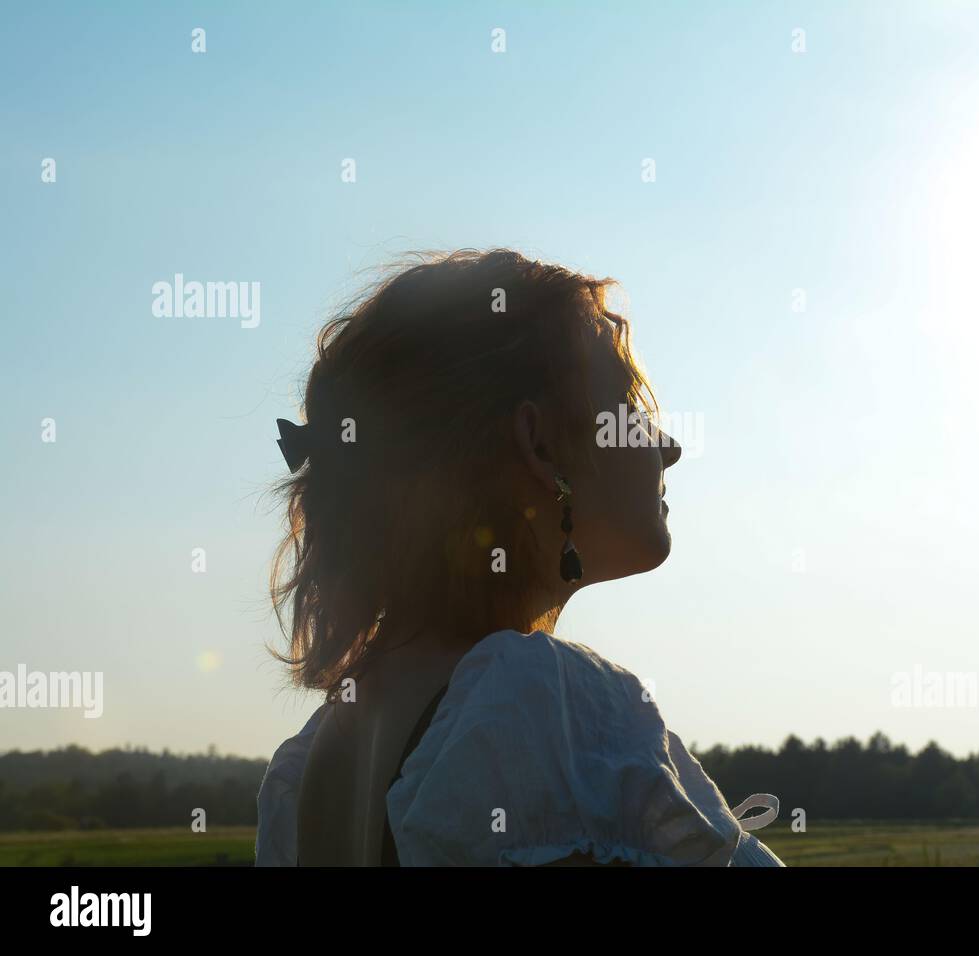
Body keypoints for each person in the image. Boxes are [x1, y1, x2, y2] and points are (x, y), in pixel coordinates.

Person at [253, 249, 782, 866]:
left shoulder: (311, 761)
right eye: (630, 407)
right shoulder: (537, 709)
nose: (669, 447)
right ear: (539, 445)